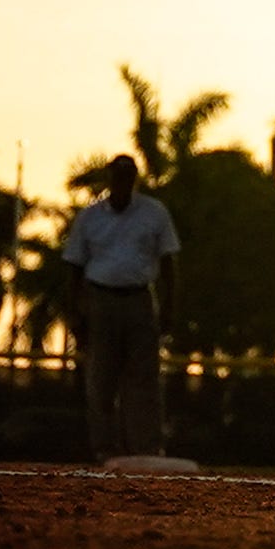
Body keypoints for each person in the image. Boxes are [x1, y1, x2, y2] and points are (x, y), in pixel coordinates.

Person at [58, 153, 183, 464]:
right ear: (110, 179)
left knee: (144, 379)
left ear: (134, 180)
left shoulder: (153, 213)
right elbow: (73, 267)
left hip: (139, 298)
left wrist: (168, 307)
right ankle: (104, 448)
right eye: (118, 177)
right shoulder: (90, 217)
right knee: (101, 378)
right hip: (101, 300)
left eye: (128, 178)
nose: (123, 183)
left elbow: (169, 263)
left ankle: (146, 447)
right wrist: (74, 311)